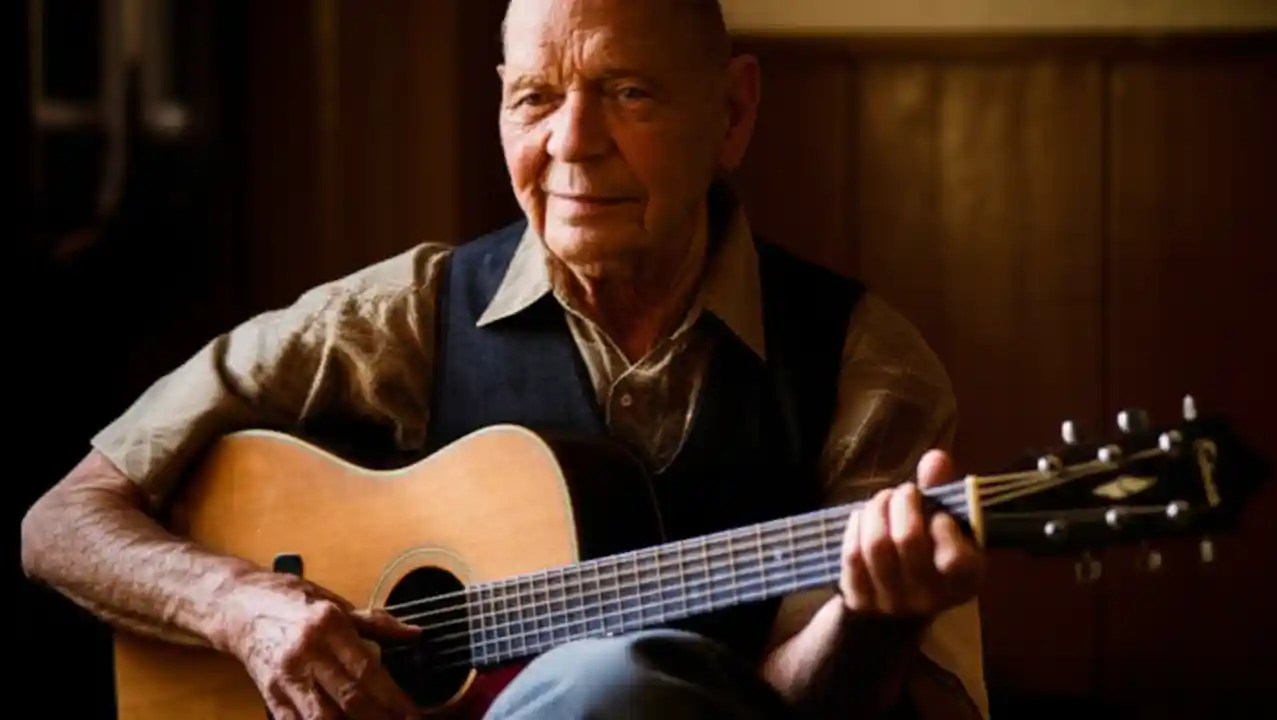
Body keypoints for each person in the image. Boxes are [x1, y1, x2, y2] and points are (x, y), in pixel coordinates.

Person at [20, 0, 989, 718]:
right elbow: (59, 521)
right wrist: (240, 607)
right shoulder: (403, 317)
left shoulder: (862, 370)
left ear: (731, 114)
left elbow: (795, 707)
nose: (571, 143)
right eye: (535, 97)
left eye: (627, 92)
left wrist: (870, 619)